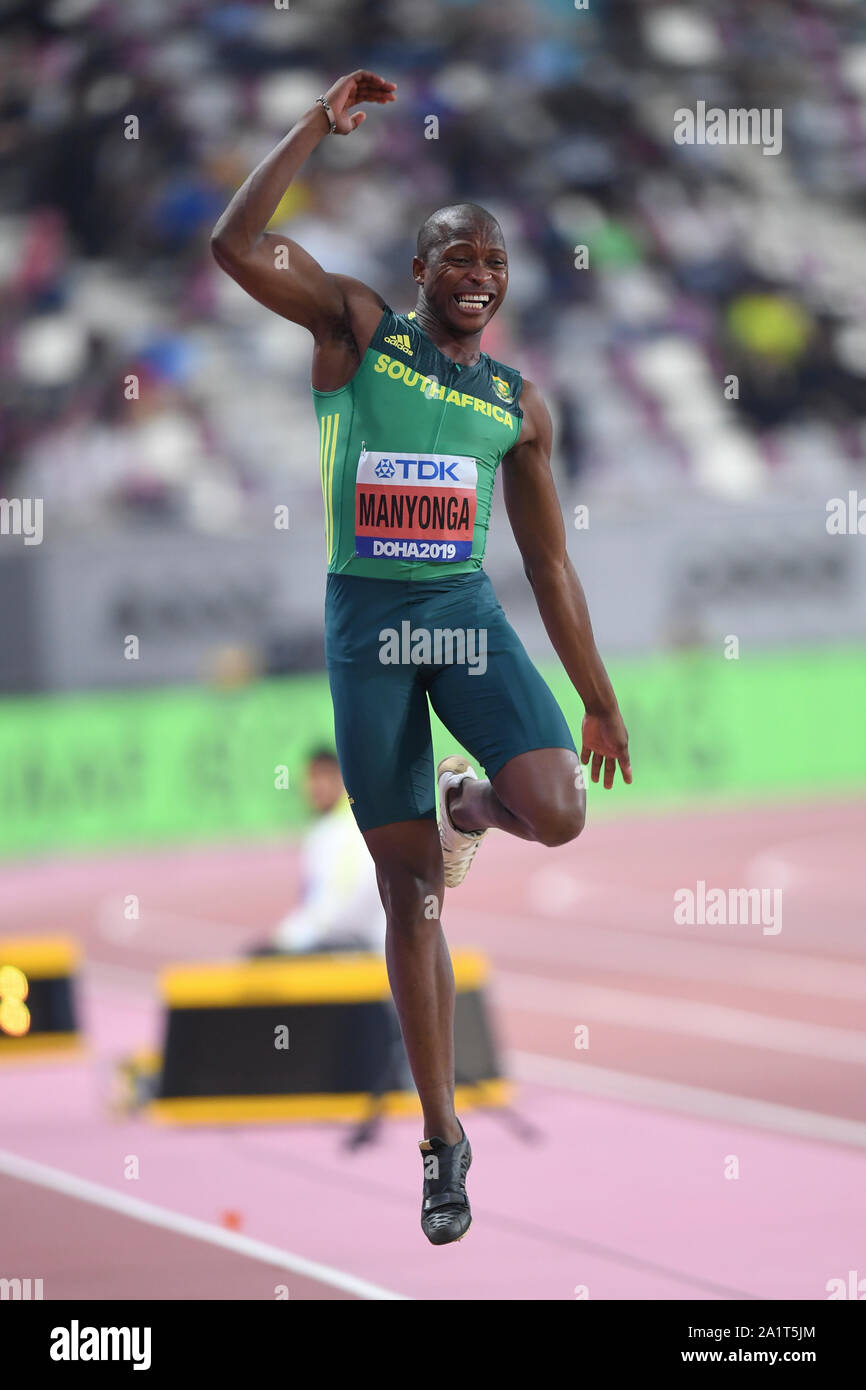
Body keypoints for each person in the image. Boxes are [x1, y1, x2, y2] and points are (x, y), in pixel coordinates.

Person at [211, 70, 632, 1246]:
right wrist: (312, 126)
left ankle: (470, 798)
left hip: (459, 613)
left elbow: (547, 571)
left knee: (555, 809)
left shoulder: (517, 404)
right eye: (458, 257)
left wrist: (596, 701)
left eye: (493, 263)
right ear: (419, 273)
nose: (478, 276)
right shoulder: (353, 328)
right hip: (366, 629)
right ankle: (444, 1144)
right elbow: (233, 241)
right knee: (410, 898)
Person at [269, 747, 386, 955]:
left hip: (356, 947)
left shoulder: (350, 831)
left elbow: (338, 907)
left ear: (340, 780)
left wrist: (289, 937)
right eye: (312, 778)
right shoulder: (326, 827)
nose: (316, 787)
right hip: (336, 940)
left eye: (323, 777)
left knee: (265, 962)